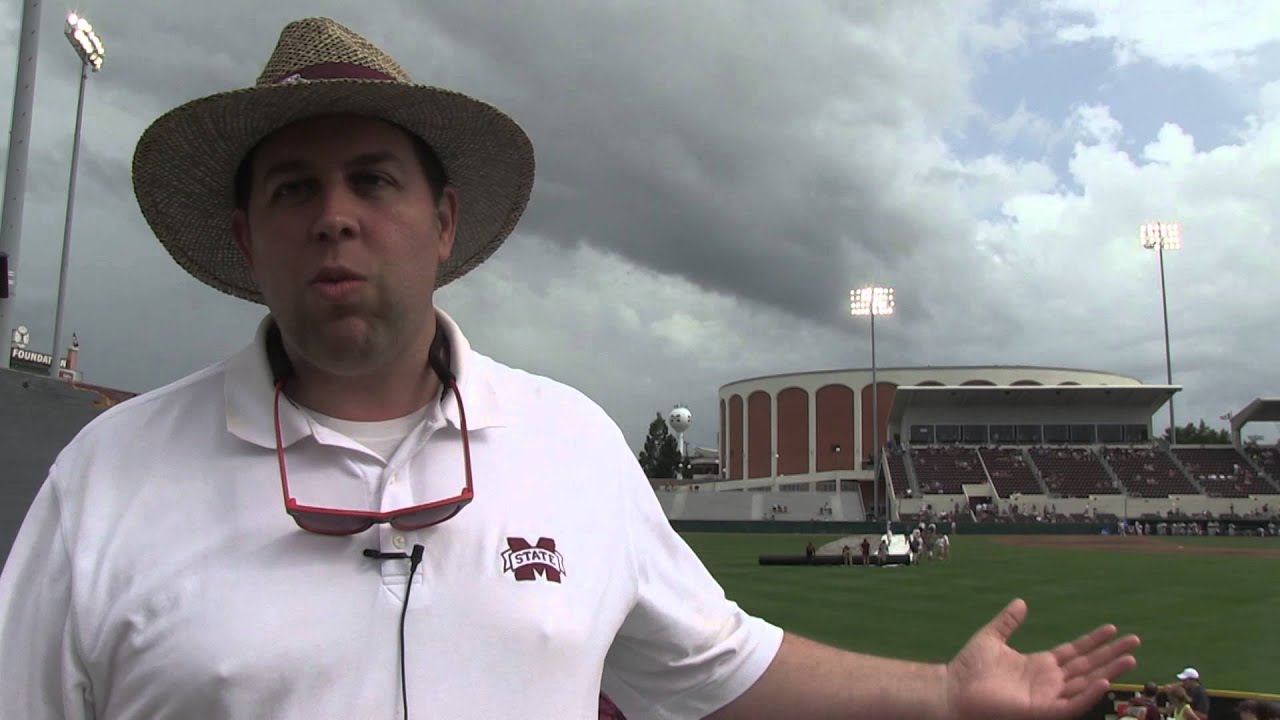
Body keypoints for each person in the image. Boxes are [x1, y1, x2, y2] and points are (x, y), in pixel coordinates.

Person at [0, 16, 1140, 720]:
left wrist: (941, 695)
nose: (334, 219)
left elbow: (715, 668)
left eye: (372, 180)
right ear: (248, 239)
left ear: (443, 222)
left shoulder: (572, 446)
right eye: (292, 190)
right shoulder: (110, 476)